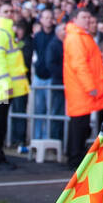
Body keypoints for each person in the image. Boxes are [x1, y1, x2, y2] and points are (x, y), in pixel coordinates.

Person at [0, 1, 29, 170]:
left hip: (3, 87)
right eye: (5, 11)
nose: (9, 13)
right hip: (1, 88)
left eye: (11, 11)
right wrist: (4, 82)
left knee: (0, 121)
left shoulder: (6, 32)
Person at [63, 8, 103, 168]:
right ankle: (75, 159)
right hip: (81, 89)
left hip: (81, 89)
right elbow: (79, 65)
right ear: (74, 19)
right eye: (84, 17)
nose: (88, 20)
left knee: (79, 124)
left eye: (89, 17)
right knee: (79, 125)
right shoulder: (76, 38)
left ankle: (74, 156)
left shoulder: (80, 36)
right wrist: (91, 87)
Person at [30, 9, 64, 142]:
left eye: (50, 17)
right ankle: (37, 138)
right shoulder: (37, 36)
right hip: (39, 77)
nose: (48, 20)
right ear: (41, 19)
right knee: (39, 110)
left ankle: (49, 139)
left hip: (52, 77)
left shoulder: (57, 35)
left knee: (53, 110)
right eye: (46, 17)